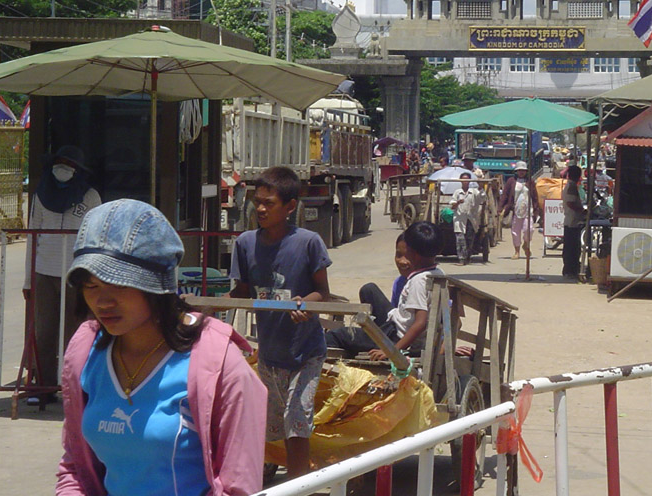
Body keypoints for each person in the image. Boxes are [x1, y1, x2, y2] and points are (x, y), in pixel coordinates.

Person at [58, 199, 266, 496]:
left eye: (118, 284)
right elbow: (75, 466)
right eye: (90, 286)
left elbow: (238, 487)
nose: (102, 301)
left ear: (156, 286)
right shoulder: (85, 351)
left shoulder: (219, 365)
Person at [230, 166, 331, 478]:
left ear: (290, 206)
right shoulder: (245, 244)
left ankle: (297, 486)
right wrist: (205, 312)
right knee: (269, 426)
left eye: (268, 203)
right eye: (257, 201)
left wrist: (307, 304)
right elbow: (241, 293)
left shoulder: (308, 242)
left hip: (305, 352)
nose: (260, 209)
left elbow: (323, 294)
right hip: (270, 355)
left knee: (296, 419)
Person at [23, 145, 102, 405]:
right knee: (43, 333)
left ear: (78, 170)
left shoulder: (90, 197)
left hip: (75, 275)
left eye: (68, 164)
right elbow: (32, 237)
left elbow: (96, 239)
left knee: (75, 333)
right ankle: (43, 386)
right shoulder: (41, 196)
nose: (63, 168)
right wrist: (28, 279)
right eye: (59, 162)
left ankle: (73, 387)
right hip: (43, 272)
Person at [326, 221, 443, 359]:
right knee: (369, 290)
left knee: (338, 335)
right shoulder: (438, 273)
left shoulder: (418, 281)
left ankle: (362, 347)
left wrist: (392, 350)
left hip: (395, 337)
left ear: (412, 252)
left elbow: (420, 323)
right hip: (394, 324)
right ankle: (370, 338)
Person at [500, 161, 538, 260]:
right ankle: (517, 251)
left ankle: (526, 244)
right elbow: (505, 195)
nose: (521, 172)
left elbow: (535, 197)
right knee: (515, 231)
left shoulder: (530, 181)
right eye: (519, 170)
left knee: (528, 230)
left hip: (528, 210)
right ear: (516, 171)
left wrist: (537, 210)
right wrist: (501, 208)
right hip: (516, 210)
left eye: (523, 171)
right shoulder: (511, 181)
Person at [450, 172, 483, 265]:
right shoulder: (457, 192)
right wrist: (457, 202)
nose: (465, 182)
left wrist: (481, 188)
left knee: (469, 239)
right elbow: (452, 206)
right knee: (460, 240)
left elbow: (482, 198)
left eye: (467, 180)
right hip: (459, 219)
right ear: (461, 181)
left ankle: (467, 257)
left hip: (471, 219)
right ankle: (461, 259)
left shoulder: (474, 192)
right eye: (463, 179)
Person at [561, 165, 586, 280]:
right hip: (572, 221)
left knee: (571, 247)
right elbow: (570, 203)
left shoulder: (571, 185)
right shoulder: (571, 186)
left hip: (572, 221)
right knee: (572, 248)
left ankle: (570, 269)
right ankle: (569, 270)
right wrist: (582, 211)